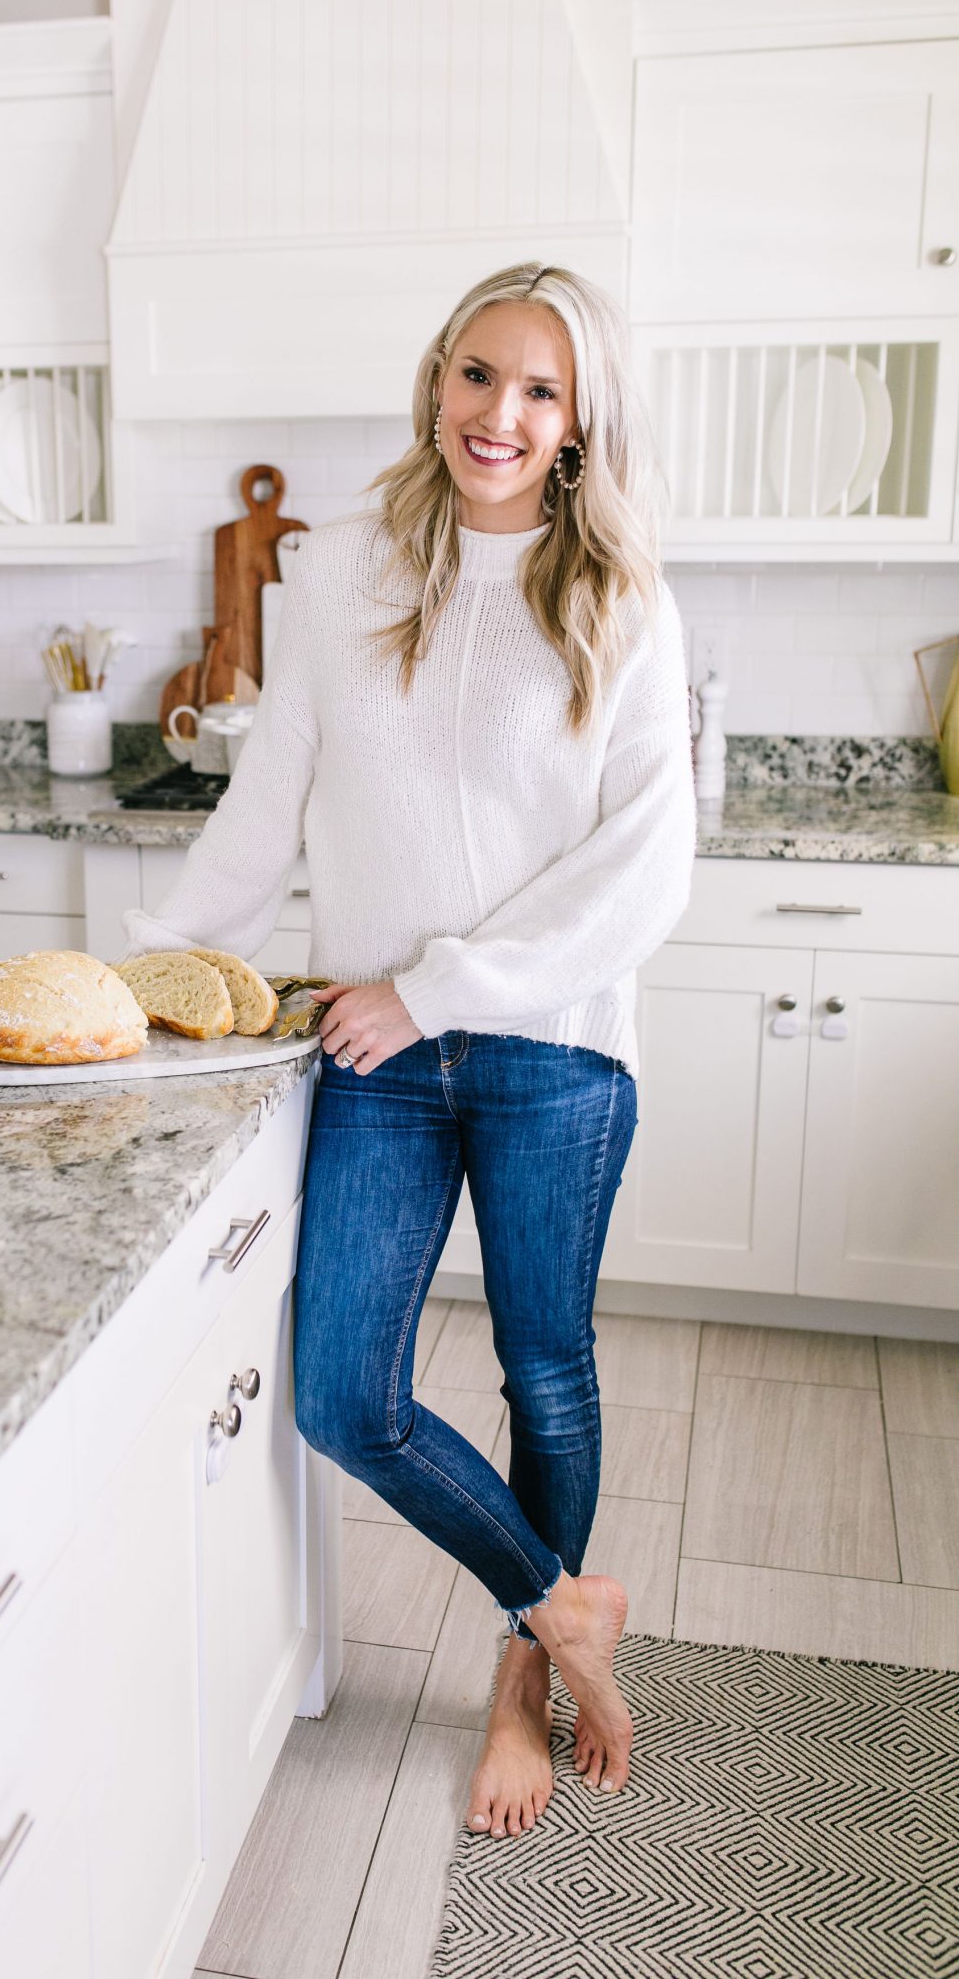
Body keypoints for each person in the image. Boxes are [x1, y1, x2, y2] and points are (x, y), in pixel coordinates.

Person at [118, 261, 696, 1839]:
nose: (496, 415)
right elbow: (267, 806)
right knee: (341, 1393)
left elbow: (639, 873)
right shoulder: (344, 566)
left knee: (542, 1369)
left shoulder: (622, 602)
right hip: (370, 1049)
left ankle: (518, 1681)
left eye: (537, 390)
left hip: (545, 1049)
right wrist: (144, 984)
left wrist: (437, 988)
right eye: (474, 375)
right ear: (433, 381)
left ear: (579, 424)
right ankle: (563, 1608)